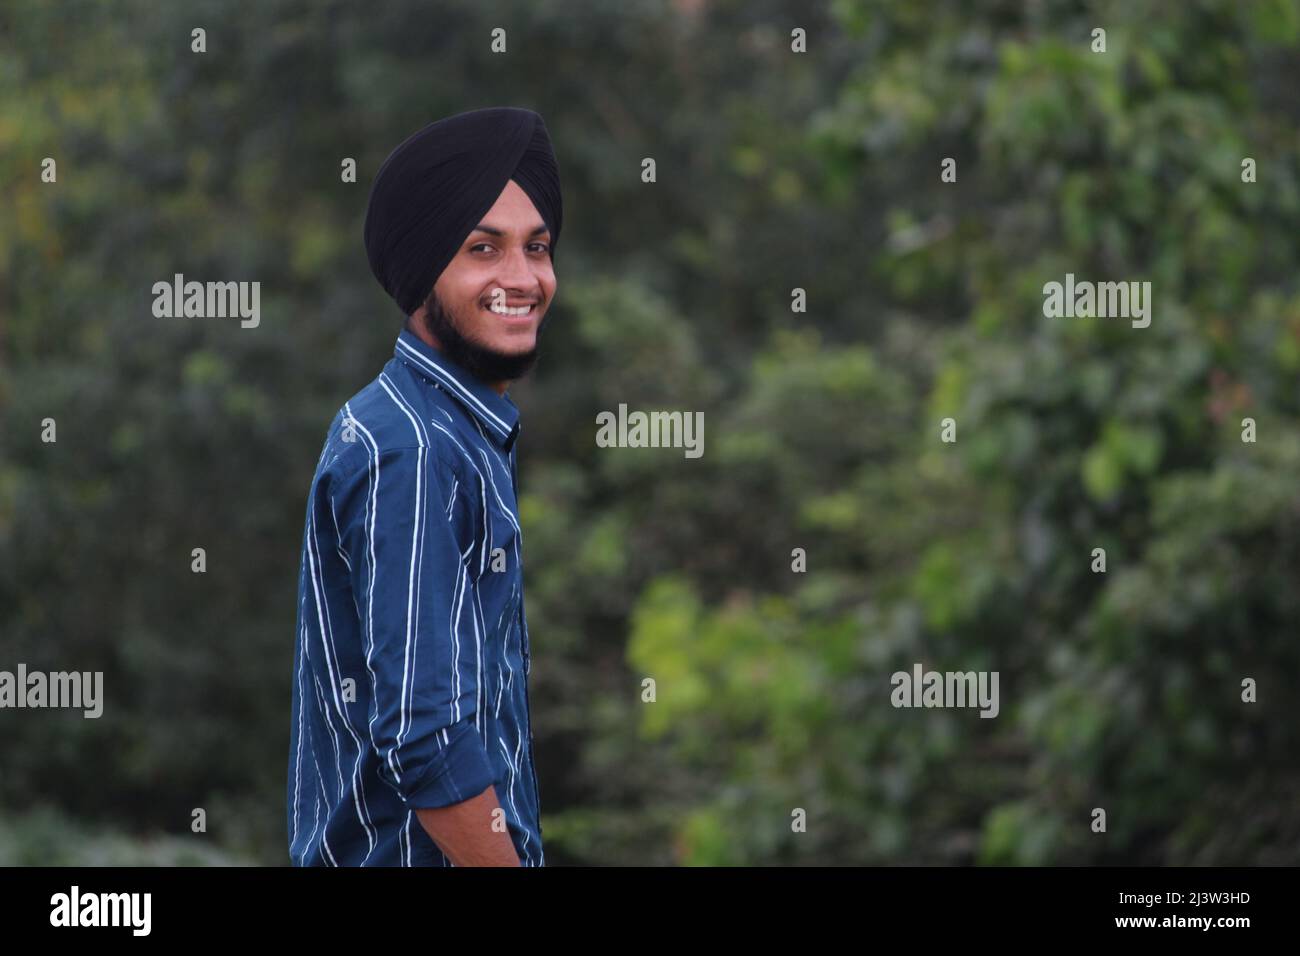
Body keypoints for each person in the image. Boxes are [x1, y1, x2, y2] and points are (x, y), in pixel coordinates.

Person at [287, 106, 562, 866]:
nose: (521, 278)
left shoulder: (444, 429)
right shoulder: (413, 448)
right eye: (483, 249)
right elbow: (427, 738)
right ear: (423, 268)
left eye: (536, 248)